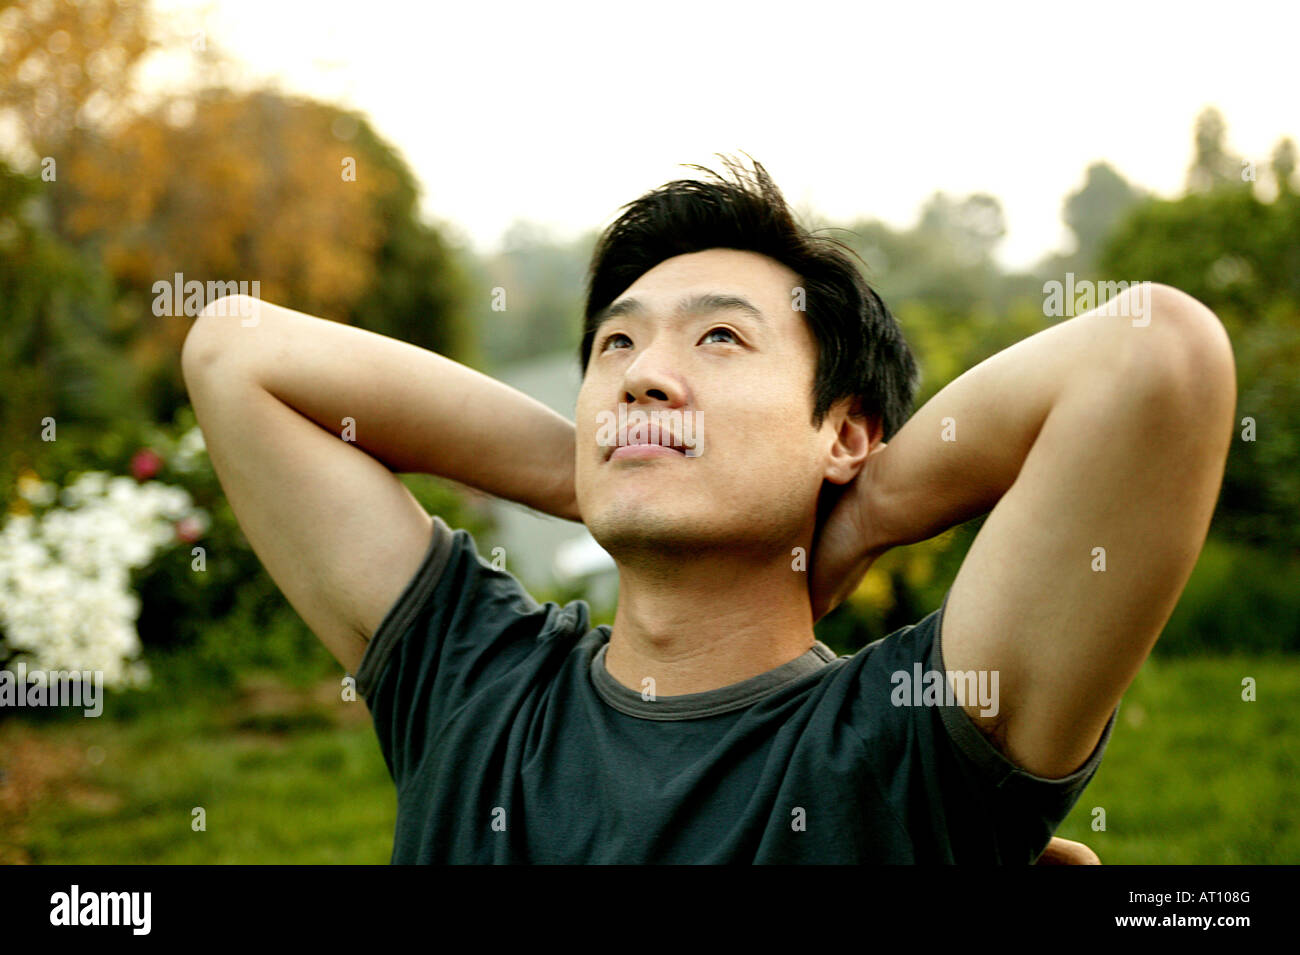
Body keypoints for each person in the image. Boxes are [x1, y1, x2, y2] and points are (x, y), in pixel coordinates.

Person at [180, 157, 1235, 863]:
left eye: (719, 338)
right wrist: (594, 471)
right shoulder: (471, 682)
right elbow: (236, 352)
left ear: (847, 431)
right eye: (616, 348)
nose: (643, 376)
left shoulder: (902, 746)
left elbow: (1155, 358)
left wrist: (860, 516)